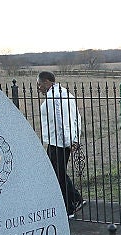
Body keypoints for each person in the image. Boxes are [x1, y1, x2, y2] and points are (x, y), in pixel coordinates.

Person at [37, 71, 85, 216]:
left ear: (47, 82)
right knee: (58, 172)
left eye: (39, 84)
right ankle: (74, 199)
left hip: (59, 141)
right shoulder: (66, 94)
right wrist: (75, 138)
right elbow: (77, 117)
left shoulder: (54, 98)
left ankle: (71, 205)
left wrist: (69, 141)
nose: (38, 88)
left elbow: (61, 122)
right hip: (62, 140)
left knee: (58, 174)